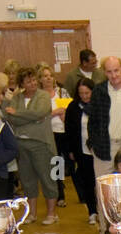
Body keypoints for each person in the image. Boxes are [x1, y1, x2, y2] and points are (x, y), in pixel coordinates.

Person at [6, 67, 59, 226]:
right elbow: (11, 118)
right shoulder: (17, 98)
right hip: (21, 144)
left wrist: (17, 113)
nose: (33, 83)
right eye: (28, 81)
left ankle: (52, 213)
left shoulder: (42, 96)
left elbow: (40, 113)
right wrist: (27, 117)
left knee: (48, 178)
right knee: (27, 180)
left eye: (34, 80)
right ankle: (32, 213)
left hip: (41, 143)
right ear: (22, 83)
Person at [88, 57, 121, 183]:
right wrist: (93, 145)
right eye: (109, 72)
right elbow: (92, 121)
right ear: (104, 72)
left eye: (116, 70)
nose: (113, 75)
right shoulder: (98, 91)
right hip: (104, 149)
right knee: (104, 190)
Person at [64, 77, 99, 225]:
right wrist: (70, 150)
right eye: (81, 93)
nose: (85, 96)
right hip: (82, 150)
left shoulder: (100, 105)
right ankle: (92, 211)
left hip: (99, 150)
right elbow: (69, 130)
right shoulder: (73, 107)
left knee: (100, 181)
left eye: (87, 93)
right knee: (88, 181)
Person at [39, 66, 71, 207]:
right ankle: (59, 194)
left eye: (50, 75)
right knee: (56, 163)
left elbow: (70, 108)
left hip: (65, 131)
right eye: (45, 76)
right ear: (40, 79)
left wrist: (65, 114)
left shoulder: (62, 92)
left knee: (70, 162)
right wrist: (54, 112)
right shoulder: (39, 96)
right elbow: (38, 116)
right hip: (49, 134)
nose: (48, 78)